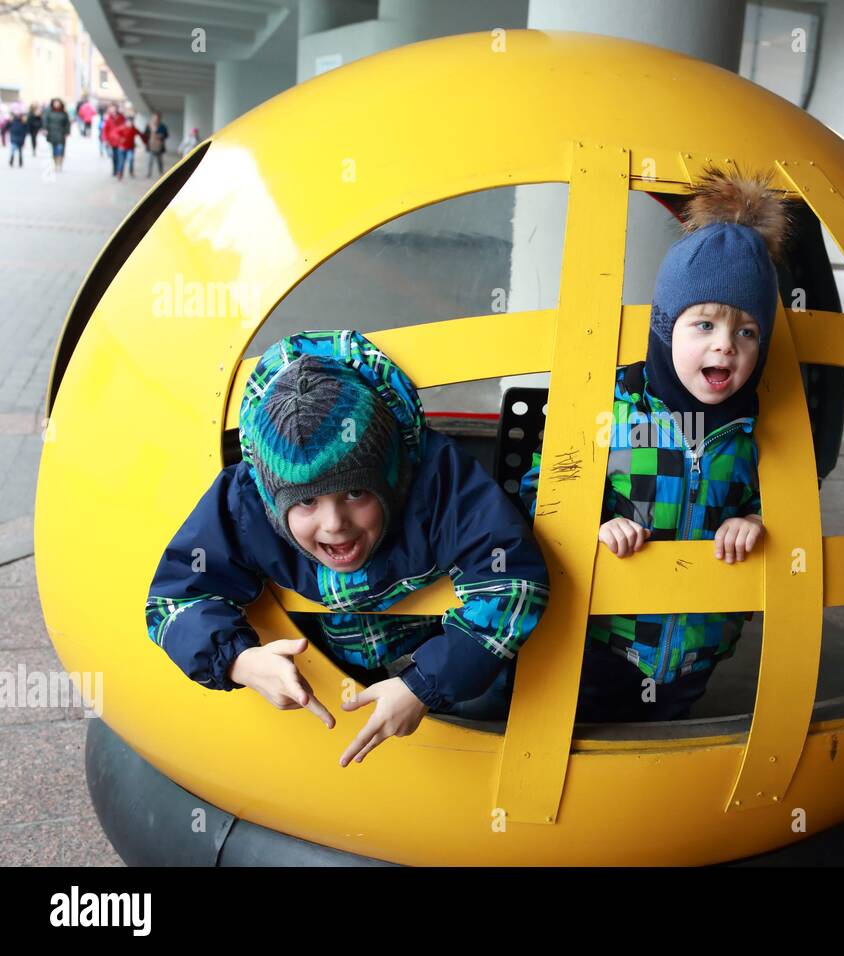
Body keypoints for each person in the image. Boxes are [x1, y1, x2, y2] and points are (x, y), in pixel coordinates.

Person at [144, 330, 550, 765]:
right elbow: (174, 598)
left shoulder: (436, 481)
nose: (335, 524)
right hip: (325, 665)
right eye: (304, 502)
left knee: (496, 699)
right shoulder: (246, 501)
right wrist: (239, 660)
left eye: (356, 494)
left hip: (430, 649)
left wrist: (426, 683)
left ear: (392, 480)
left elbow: (512, 580)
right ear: (271, 498)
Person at [518, 165, 788, 722]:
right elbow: (538, 492)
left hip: (698, 651)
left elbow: (778, 501)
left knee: (664, 747)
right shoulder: (609, 410)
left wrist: (756, 521)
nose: (726, 347)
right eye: (704, 326)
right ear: (665, 328)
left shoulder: (756, 430)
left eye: (746, 332)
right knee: (585, 735)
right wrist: (593, 522)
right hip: (603, 640)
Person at [43, 98, 71, 172]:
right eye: (55, 103)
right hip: (52, 133)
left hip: (61, 134)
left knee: (60, 149)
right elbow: (45, 121)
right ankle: (55, 163)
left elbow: (67, 124)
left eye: (58, 103)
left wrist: (67, 132)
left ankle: (60, 163)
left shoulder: (64, 113)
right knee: (54, 150)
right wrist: (45, 129)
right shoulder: (49, 112)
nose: (56, 104)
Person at [144, 111, 168, 177]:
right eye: (154, 118)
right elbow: (145, 134)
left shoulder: (162, 126)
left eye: (157, 118)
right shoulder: (148, 126)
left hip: (159, 146)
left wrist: (161, 136)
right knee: (150, 161)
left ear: (159, 119)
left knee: (159, 161)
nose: (156, 119)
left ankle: (161, 173)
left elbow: (166, 135)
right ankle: (149, 173)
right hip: (151, 146)